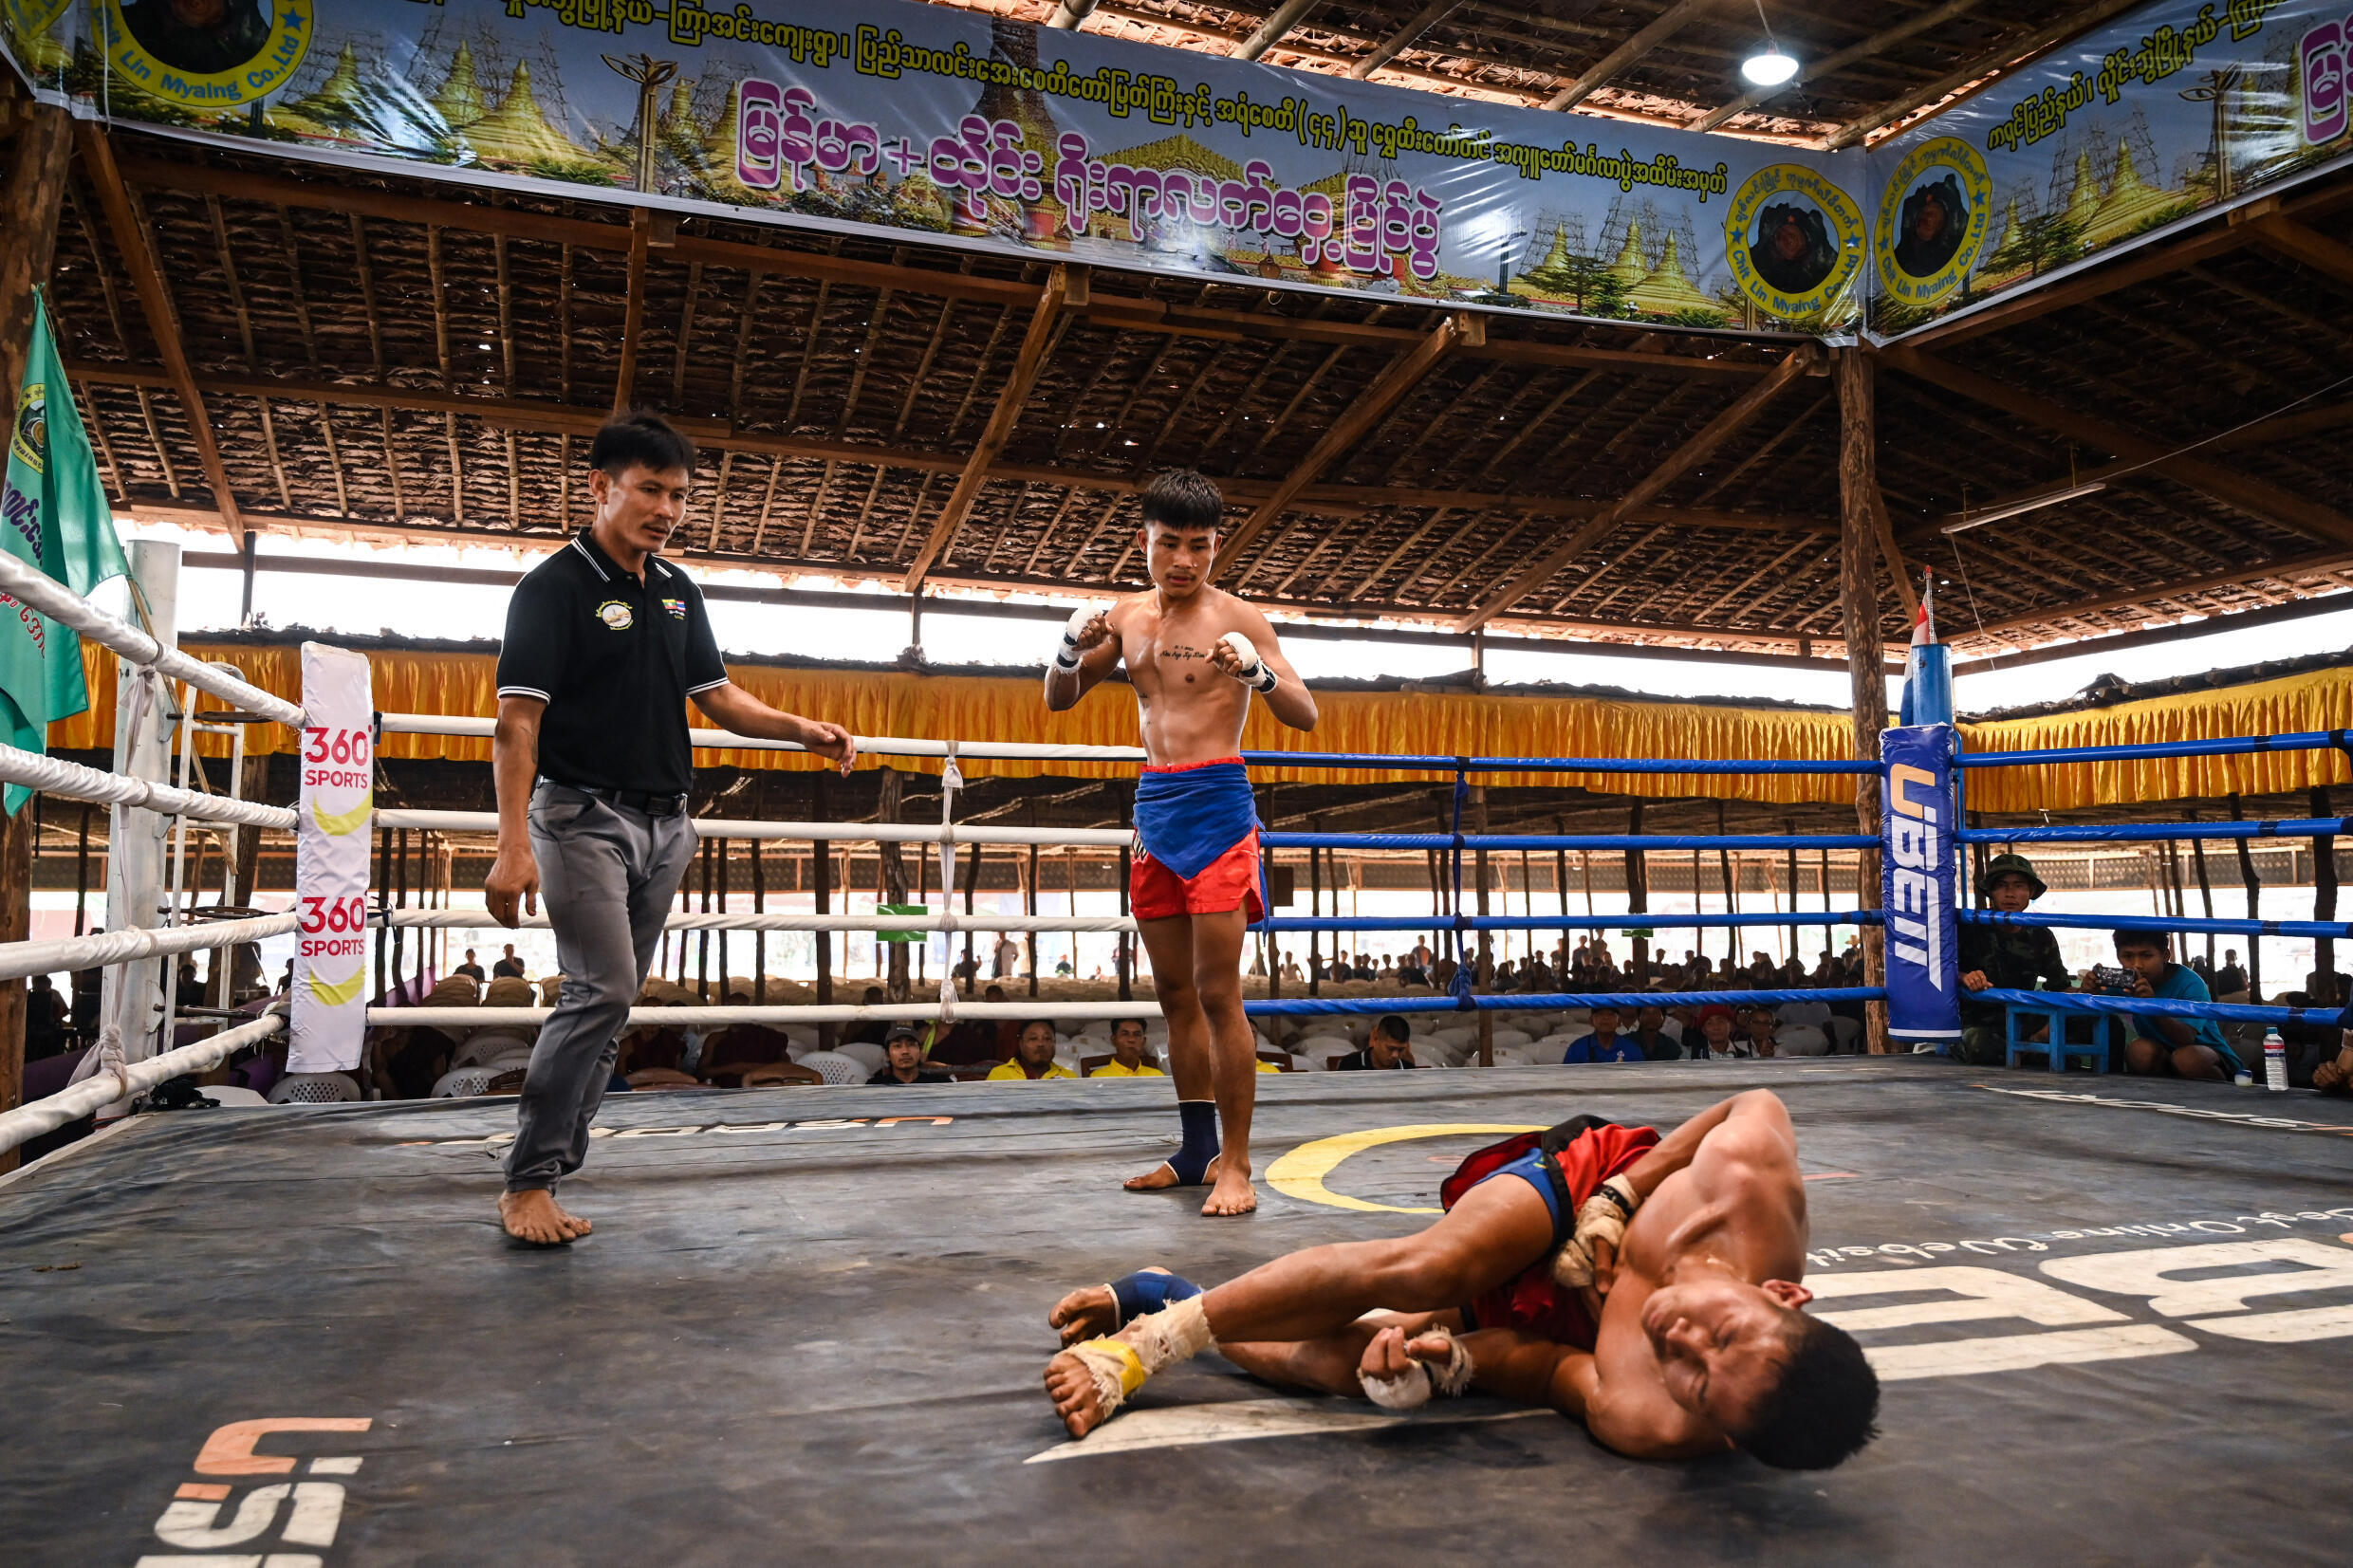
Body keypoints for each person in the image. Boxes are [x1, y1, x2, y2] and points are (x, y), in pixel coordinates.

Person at [1042, 1090, 1878, 1471]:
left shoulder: (1651, 1418)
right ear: (1783, 1293)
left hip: (1563, 1315)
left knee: (1354, 1365)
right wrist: (1623, 1195)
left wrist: (1445, 1371)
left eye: (1694, 1378)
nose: (1679, 1337)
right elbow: (1751, 1104)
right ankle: (1145, 1349)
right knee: (1432, 1265)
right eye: (1722, 1331)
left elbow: (1544, 1369)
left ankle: (1164, 1293)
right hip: (1592, 1184)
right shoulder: (1749, 1190)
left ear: (1714, 1427)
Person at [484, 412, 857, 1246]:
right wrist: (511, 844)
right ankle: (528, 1179)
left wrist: (801, 728)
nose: (667, 509)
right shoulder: (552, 588)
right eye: (650, 489)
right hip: (582, 815)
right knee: (600, 991)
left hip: (666, 823)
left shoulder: (677, 589)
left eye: (679, 495)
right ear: (601, 486)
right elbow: (516, 724)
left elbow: (717, 696)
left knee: (611, 1008)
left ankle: (551, 1165)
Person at [1046, 469, 1317, 1216]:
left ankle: (1237, 1163)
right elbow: (1059, 699)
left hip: (1220, 806)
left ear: (1216, 546)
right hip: (1156, 806)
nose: (1184, 560)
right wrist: (1066, 646)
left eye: (1200, 545)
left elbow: (1305, 711)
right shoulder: (1126, 618)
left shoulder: (1240, 618)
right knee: (1172, 994)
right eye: (1170, 543)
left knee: (1218, 993)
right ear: (1146, 541)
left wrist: (1258, 673)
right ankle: (1197, 1150)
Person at [1955, 853, 2072, 1066]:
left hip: (2024, 1018)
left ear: (2031, 891)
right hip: (1978, 1021)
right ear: (1991, 891)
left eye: (2019, 886)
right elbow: (1935, 971)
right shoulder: (1969, 927)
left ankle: (2033, 1049)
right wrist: (1964, 977)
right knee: (1980, 1045)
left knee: (2107, 1027)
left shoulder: (2041, 935)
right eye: (2001, 885)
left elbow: (2061, 986)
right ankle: (2033, 1053)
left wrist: (2091, 989)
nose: (2010, 893)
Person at [2109, 931, 2238, 1080]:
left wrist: (2152, 1005)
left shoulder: (2190, 982)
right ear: (2118, 957)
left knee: (2187, 1059)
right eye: (2128, 956)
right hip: (2164, 1059)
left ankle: (2225, 1093)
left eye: (2146, 956)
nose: (2137, 965)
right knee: (2138, 1051)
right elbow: (2092, 997)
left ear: (2165, 956)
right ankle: (2156, 1094)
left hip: (2209, 1057)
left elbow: (2185, 1039)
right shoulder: (2125, 981)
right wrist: (2089, 989)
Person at [932, 984, 1013, 1068]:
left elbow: (983, 1057)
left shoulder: (967, 1032)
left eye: (994, 1003)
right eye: (989, 1003)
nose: (947, 1011)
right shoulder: (927, 1032)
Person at [989, 1019, 1078, 1081]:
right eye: (1033, 1038)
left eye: (1047, 1038)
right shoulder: (1000, 1075)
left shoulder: (1069, 1077)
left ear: (1054, 1042)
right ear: (1021, 1044)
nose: (1041, 1044)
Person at [869, 1025, 953, 1086]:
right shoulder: (875, 1086)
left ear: (920, 1052)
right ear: (887, 1055)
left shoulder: (940, 1083)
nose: (905, 1051)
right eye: (897, 1046)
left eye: (911, 1044)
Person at [1335, 1016, 1421, 1071]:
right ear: (1376, 1039)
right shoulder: (1350, 1064)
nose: (1395, 1055)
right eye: (1390, 1048)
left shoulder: (1408, 1070)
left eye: (1401, 1050)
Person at [1563, 1005, 1640, 1064]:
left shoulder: (1631, 1048)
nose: (1605, 1018)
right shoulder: (1577, 1048)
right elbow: (1566, 1076)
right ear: (1591, 1021)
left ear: (1619, 1022)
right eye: (1600, 1014)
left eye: (1611, 1014)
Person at [1090, 1019, 1166, 1079]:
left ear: (1144, 1041)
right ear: (1113, 1040)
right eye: (1125, 1034)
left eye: (1137, 1034)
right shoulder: (1098, 1078)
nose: (1131, 1039)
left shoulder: (1156, 1076)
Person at [24, 975, 67, 1062]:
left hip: (52, 1027)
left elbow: (65, 1010)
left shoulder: (54, 994)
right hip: (31, 1028)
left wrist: (56, 1018)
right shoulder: (27, 994)